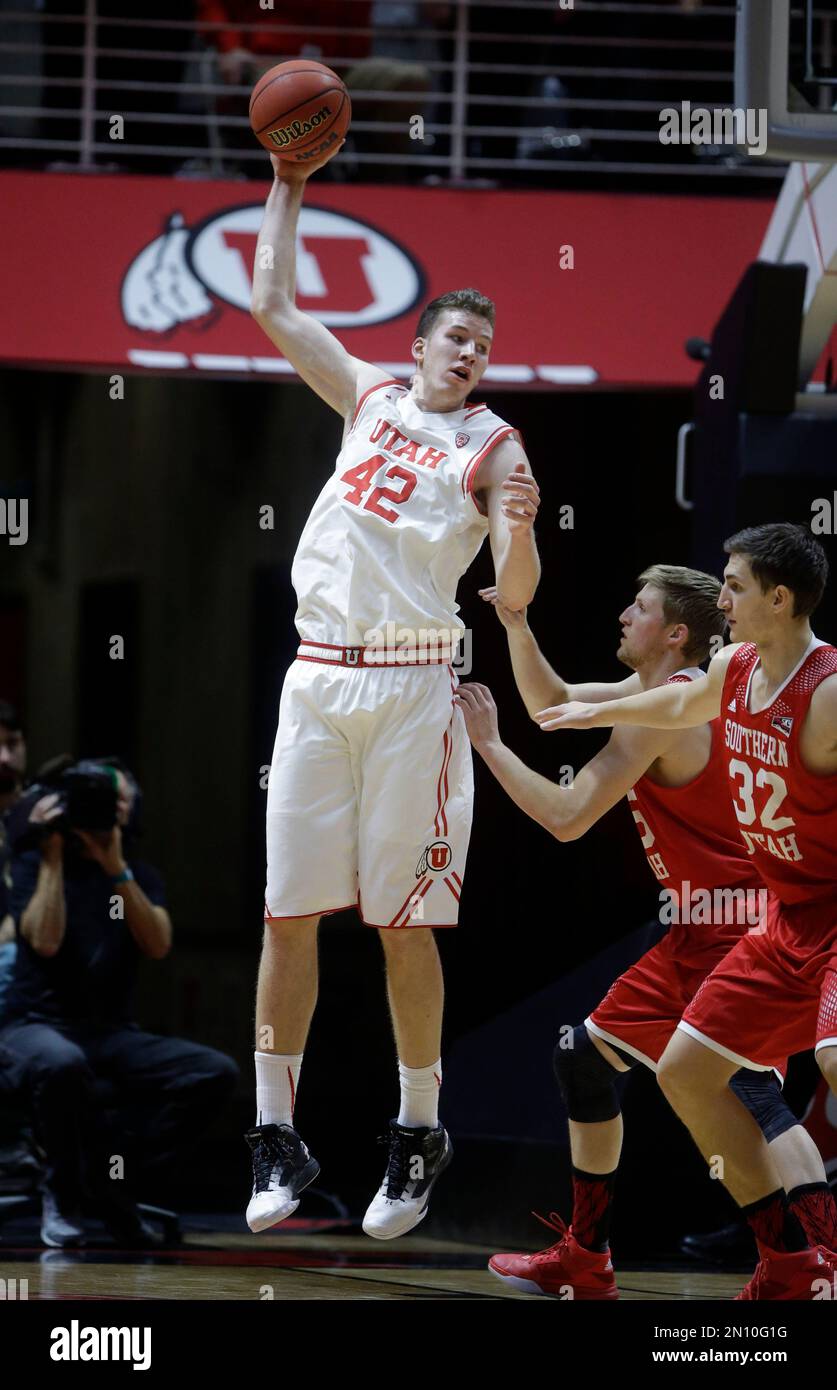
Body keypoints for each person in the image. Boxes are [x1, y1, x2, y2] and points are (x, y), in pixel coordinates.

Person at [245, 137, 541, 1239]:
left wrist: (516, 537)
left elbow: (515, 593)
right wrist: (288, 180)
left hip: (417, 687)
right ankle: (276, 1134)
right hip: (318, 676)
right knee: (287, 916)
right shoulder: (367, 394)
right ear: (418, 344)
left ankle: (418, 1130)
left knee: (401, 928)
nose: (470, 353)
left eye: (486, 345)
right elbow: (273, 298)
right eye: (457, 336)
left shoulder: (495, 447)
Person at [455, 565, 836, 1299]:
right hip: (702, 927)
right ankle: (587, 1256)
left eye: (640, 606)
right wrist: (513, 624)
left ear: (676, 633)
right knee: (587, 1061)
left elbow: (566, 817)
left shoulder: (665, 712)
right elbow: (552, 704)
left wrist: (489, 747)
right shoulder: (681, 694)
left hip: (738, 926)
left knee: (753, 1093)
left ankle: (809, 1261)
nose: (623, 614)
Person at [0, 757, 239, 1248]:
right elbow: (44, 941)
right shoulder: (34, 864)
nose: (108, 810)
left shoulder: (139, 877)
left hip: (109, 1031)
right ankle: (65, 1192)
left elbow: (157, 944)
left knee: (212, 1071)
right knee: (62, 1061)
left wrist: (115, 868)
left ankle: (111, 1177)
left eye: (117, 801)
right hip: (31, 1027)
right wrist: (52, 857)